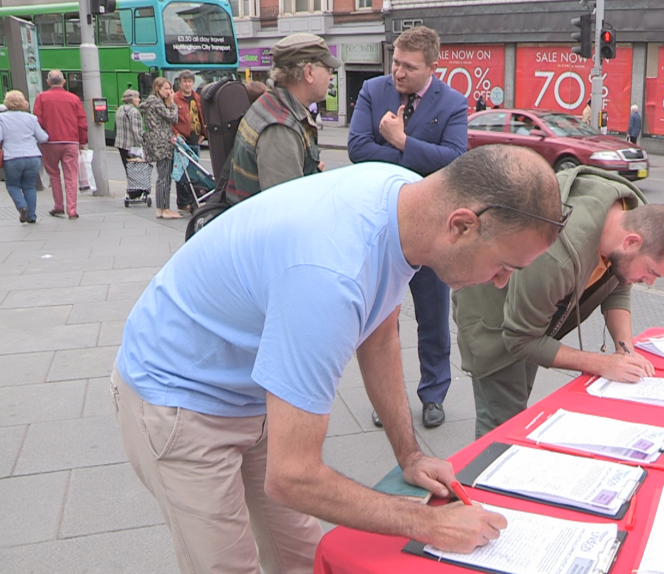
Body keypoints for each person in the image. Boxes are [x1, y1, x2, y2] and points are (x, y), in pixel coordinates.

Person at [112, 144, 563, 574]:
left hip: (249, 384)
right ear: (461, 225)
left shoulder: (408, 198)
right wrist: (429, 523)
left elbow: (381, 335)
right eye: (505, 266)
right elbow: (292, 476)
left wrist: (409, 454)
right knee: (228, 565)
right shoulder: (329, 278)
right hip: (179, 396)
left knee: (306, 556)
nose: (501, 283)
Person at [454, 167, 664, 438]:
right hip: (494, 322)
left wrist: (625, 349)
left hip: (533, 317)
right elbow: (520, 339)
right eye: (650, 271)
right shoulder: (555, 258)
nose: (649, 282)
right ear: (631, 241)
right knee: (502, 424)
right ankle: (479, 474)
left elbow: (619, 282)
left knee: (519, 404)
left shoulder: (628, 220)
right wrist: (601, 363)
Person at [348, 26, 468, 429]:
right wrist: (415, 158)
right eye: (395, 62)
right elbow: (356, 148)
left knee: (432, 317)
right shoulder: (372, 90)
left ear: (432, 68)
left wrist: (399, 142)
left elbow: (454, 160)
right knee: (384, 319)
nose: (398, 72)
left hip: (432, 230)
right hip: (382, 225)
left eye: (409, 67)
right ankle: (389, 398)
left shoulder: (452, 103)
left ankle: (433, 394)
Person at [223, 33, 338, 204]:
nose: (331, 76)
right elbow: (288, 209)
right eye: (328, 69)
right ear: (309, 72)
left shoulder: (273, 104)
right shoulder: (280, 127)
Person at [33, 69, 87, 219]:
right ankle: (72, 210)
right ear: (63, 82)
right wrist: (82, 141)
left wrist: (42, 137)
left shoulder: (41, 98)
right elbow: (82, 122)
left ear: (48, 82)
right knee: (71, 175)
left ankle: (58, 205)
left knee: (54, 174)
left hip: (49, 142)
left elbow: (38, 120)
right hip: (71, 141)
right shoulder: (74, 98)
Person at [0, 90, 48, 224]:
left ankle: (22, 206)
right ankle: (32, 216)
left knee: (13, 185)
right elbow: (43, 138)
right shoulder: (31, 118)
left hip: (12, 157)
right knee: (29, 186)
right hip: (33, 157)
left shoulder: (2, 118)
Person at [140, 77, 181, 220]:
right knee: (165, 177)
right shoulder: (158, 103)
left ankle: (161, 208)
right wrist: (172, 104)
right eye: (166, 89)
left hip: (155, 142)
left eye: (170, 89)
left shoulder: (151, 102)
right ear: (158, 89)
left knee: (162, 176)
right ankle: (165, 209)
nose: (169, 92)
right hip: (162, 143)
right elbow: (173, 117)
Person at [172, 70, 206, 213]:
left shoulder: (197, 97)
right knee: (182, 172)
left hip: (195, 138)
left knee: (194, 172)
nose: (187, 84)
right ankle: (183, 202)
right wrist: (176, 134)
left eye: (189, 81)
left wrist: (203, 134)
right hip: (182, 140)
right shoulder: (174, 98)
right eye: (185, 81)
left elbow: (201, 115)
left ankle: (193, 199)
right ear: (180, 83)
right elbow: (171, 119)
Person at [114, 89, 143, 173]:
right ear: (132, 99)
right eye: (137, 98)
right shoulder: (134, 112)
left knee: (128, 170)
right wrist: (140, 146)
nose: (139, 100)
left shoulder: (120, 109)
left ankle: (131, 185)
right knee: (137, 173)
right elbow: (136, 132)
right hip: (132, 146)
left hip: (121, 144)